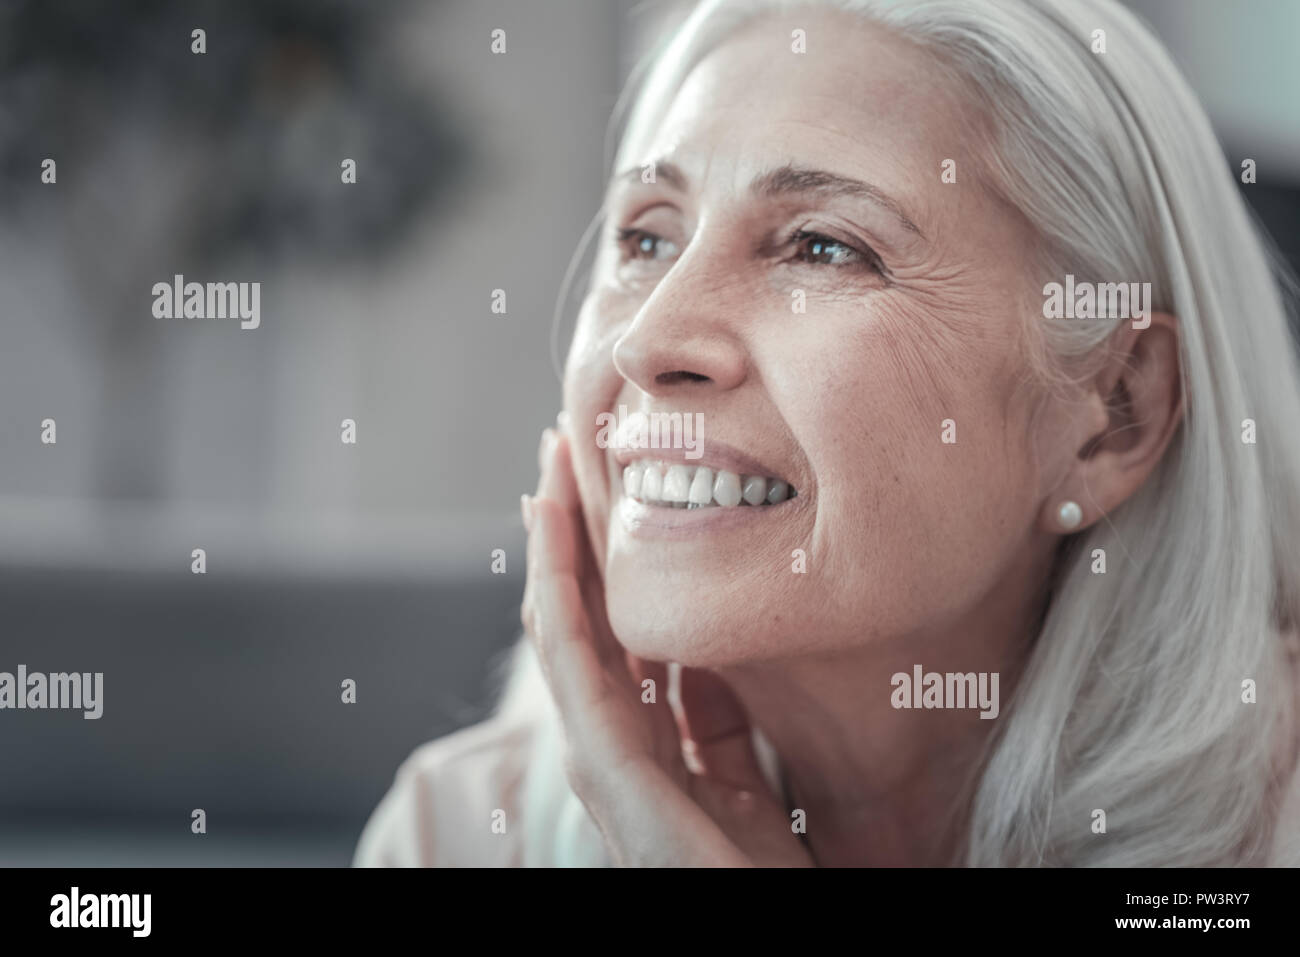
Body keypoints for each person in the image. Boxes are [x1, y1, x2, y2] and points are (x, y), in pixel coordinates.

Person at [355, 0, 1300, 867]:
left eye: (825, 246)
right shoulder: (458, 834)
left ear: (1114, 414)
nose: (648, 343)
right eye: (647, 237)